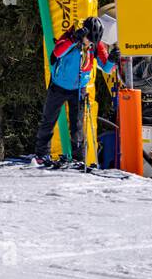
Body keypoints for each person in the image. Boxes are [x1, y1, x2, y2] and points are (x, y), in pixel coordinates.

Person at [33, 16, 116, 169]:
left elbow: (107, 68)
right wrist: (73, 40)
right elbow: (57, 53)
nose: (90, 44)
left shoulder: (96, 45)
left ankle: (79, 157)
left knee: (77, 125)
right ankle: (41, 154)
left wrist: (112, 59)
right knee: (49, 120)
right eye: (88, 40)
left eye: (93, 42)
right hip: (58, 86)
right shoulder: (71, 37)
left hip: (78, 89)